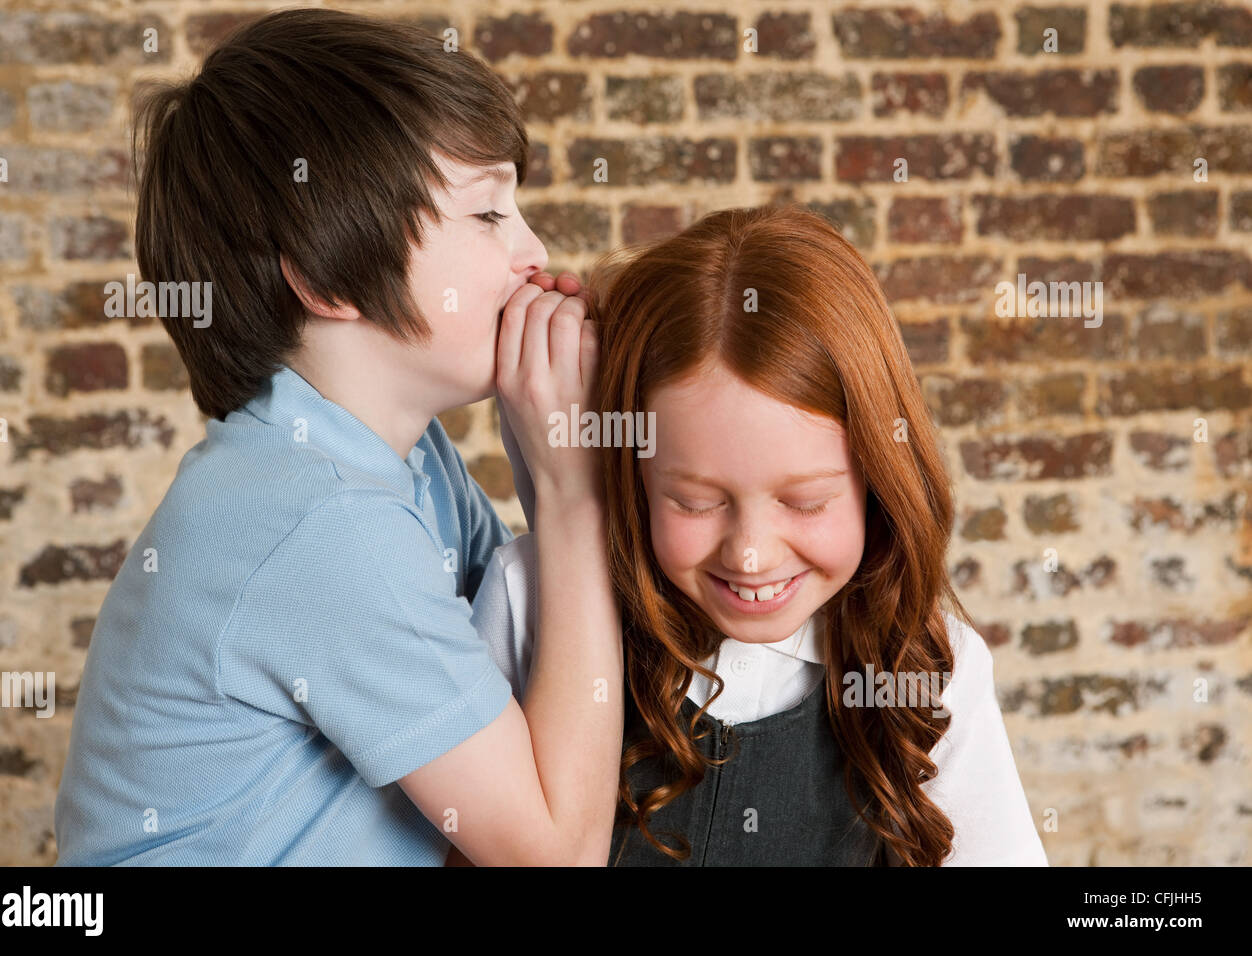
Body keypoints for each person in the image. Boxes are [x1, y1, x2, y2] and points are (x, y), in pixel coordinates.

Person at [54, 9, 622, 866]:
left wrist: (548, 455)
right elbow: (556, 852)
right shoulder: (320, 520)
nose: (532, 251)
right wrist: (574, 495)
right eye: (487, 213)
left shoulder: (400, 461)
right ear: (326, 274)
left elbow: (526, 660)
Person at [471, 203, 1050, 866]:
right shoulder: (529, 598)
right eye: (693, 502)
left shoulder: (930, 665)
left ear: (877, 479)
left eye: (805, 503)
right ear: (633, 475)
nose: (750, 555)